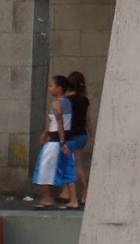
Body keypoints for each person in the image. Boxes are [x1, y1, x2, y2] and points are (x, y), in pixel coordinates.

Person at [32, 76, 77, 209]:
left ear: (59, 88)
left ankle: (47, 198)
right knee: (68, 169)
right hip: (67, 139)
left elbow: (58, 122)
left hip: (56, 141)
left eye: (52, 86)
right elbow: (56, 122)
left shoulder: (56, 103)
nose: (49, 88)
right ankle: (73, 200)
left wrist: (61, 142)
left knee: (42, 168)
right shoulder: (67, 102)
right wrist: (47, 133)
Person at [62, 71, 94, 208]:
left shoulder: (67, 100)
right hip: (82, 135)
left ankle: (85, 193)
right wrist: (93, 135)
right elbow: (88, 120)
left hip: (72, 136)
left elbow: (64, 120)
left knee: (74, 167)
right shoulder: (84, 100)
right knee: (75, 165)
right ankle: (67, 193)